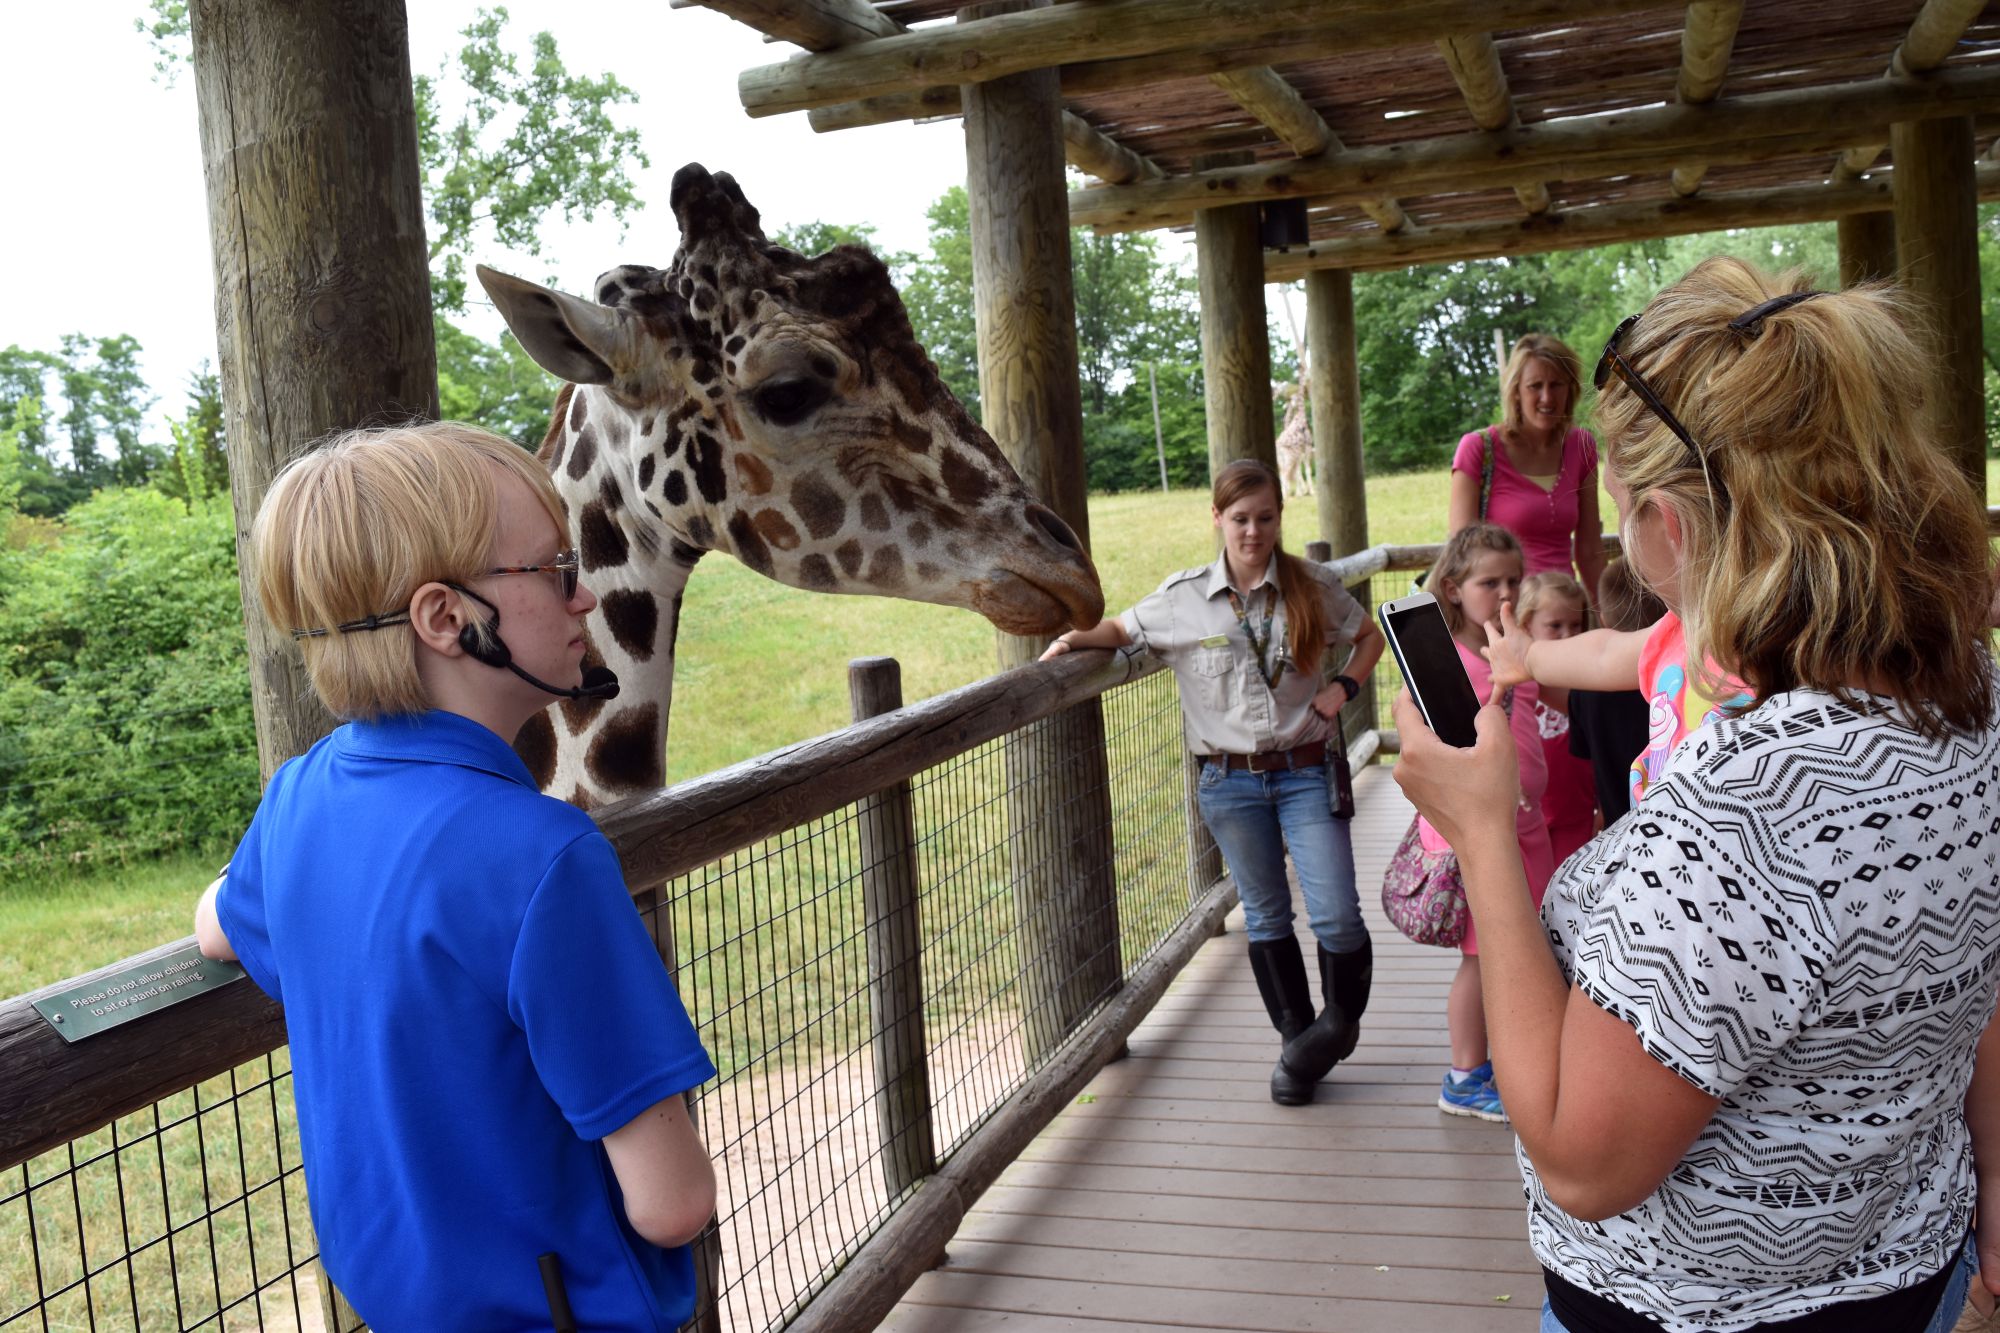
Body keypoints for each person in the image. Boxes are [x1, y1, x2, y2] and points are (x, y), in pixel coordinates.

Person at [1392, 259, 1999, 1331]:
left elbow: (1581, 1161)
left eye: (1622, 514)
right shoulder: (1969, 694)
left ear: (1667, 526)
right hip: (1911, 1262)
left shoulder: (1742, 806)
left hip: (1702, 1306)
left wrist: (1481, 834)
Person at [192, 422, 719, 1330]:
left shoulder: (299, 796)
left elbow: (215, 926)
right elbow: (671, 1204)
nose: (585, 595)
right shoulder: (544, 857)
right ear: (447, 619)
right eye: (555, 568)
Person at [1042, 459, 1383, 1106]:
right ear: (1218, 518)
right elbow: (1122, 629)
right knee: (1266, 914)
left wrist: (1342, 688)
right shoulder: (1183, 597)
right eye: (1240, 518)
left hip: (1307, 773)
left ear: (1280, 517)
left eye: (1266, 518)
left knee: (1337, 914)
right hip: (1230, 785)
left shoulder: (1311, 586)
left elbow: (1367, 636)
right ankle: (1296, 1046)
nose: (1254, 532)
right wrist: (1072, 638)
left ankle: (1336, 1028)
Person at [1421, 523, 1552, 1124]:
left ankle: (1505, 1060)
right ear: (1453, 588)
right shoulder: (1449, 662)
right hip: (1487, 831)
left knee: (1516, 947)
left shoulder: (1510, 647)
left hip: (1526, 824)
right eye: (1488, 582)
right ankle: (1465, 1075)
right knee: (1480, 958)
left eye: (1514, 580)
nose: (1505, 593)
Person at [1448, 333, 1606, 605]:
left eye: (1556, 384)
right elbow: (1461, 554)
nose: (1547, 397)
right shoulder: (1478, 448)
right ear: (1516, 391)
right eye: (1535, 386)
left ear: (1570, 389)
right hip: (1503, 610)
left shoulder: (1582, 445)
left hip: (1563, 612)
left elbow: (1590, 550)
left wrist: (1607, 613)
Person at [1564, 558, 1661, 827]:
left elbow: (1583, 754)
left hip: (1617, 824)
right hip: (1671, 821)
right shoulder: (1671, 677)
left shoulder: (1583, 686)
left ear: (1603, 619)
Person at [1516, 572, 1595, 866]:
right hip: (1527, 813)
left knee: (1570, 881)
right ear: (1526, 625)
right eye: (1555, 626)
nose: (1567, 635)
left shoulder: (1591, 677)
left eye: (1576, 625)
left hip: (1577, 809)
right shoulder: (1517, 682)